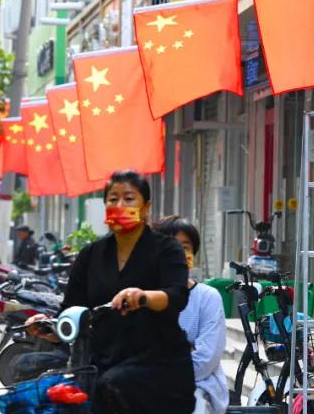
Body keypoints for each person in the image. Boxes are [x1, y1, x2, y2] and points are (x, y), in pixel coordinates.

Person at [54, 171, 194, 413]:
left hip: (158, 366)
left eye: (129, 198)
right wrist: (49, 328)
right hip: (104, 363)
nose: (119, 205)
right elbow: (72, 309)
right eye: (113, 199)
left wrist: (143, 297)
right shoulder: (91, 255)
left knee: (114, 384)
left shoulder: (167, 249)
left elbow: (176, 296)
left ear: (146, 206)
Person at [154, 215, 228, 414]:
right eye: (171, 246)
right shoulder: (144, 296)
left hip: (200, 388)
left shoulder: (208, 298)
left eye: (185, 247)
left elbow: (206, 358)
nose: (178, 253)